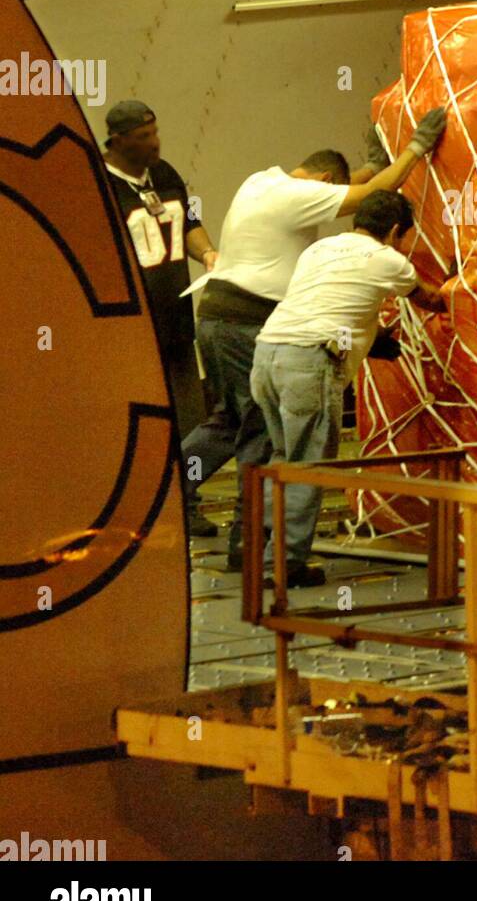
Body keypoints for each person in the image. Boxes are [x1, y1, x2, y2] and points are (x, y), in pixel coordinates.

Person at [183, 110, 447, 570]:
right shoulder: (373, 250)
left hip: (246, 334)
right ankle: (274, 562)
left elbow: (350, 197)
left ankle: (248, 549)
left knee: (252, 437)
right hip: (259, 333)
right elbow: (366, 195)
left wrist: (371, 164)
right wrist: (415, 151)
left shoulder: (264, 187)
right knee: (287, 457)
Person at [251, 190, 446, 587]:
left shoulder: (319, 250)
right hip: (309, 363)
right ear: (394, 231)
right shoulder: (390, 261)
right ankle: (283, 566)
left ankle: (263, 556)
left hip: (267, 354)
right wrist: (461, 281)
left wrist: (370, 338)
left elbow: (329, 302)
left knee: (282, 459)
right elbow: (434, 302)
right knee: (309, 465)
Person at [103, 100, 218, 537]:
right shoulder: (100, 184)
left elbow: (189, 221)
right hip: (131, 331)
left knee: (189, 421)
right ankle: (133, 511)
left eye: (155, 132)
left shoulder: (164, 174)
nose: (155, 142)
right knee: (137, 422)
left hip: (175, 321)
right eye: (143, 136)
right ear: (118, 140)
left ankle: (186, 503)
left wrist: (207, 253)